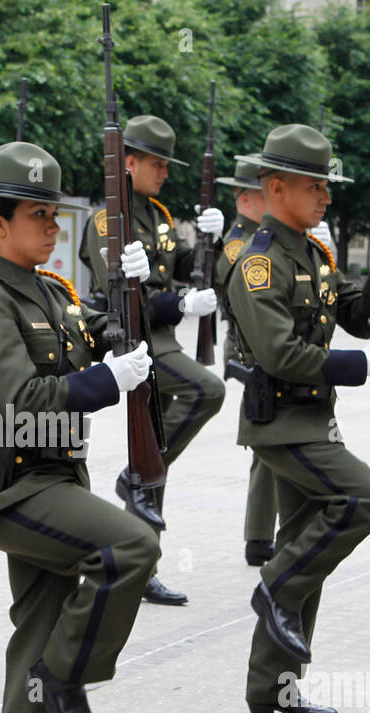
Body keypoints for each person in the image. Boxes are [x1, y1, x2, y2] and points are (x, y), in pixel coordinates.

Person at [0, 141, 159, 713]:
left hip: (56, 476)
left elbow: (108, 334)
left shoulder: (53, 291)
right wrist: (106, 383)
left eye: (55, 214)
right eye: (39, 214)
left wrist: (136, 293)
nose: (53, 227)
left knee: (37, 631)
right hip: (9, 486)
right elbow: (20, 398)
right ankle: (73, 677)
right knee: (130, 546)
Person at [224, 125, 370, 713]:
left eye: (327, 186)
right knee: (366, 499)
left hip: (312, 419)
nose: (326, 196)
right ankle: (274, 585)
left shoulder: (312, 252)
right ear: (276, 188)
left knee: (308, 545)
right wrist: (362, 365)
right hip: (282, 423)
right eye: (314, 186)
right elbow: (279, 355)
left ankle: (272, 688)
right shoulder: (258, 265)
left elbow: (352, 309)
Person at [78, 114, 226, 606]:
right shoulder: (106, 220)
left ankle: (143, 565)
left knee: (152, 443)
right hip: (131, 340)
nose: (164, 173)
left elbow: (187, 265)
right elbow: (117, 290)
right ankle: (133, 479)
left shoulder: (159, 216)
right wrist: (179, 304)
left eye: (167, 165)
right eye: (156, 164)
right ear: (129, 162)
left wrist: (212, 240)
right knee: (207, 390)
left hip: (162, 339)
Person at [214, 158, 277, 568]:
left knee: (268, 446)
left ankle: (260, 536)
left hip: (265, 346)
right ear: (244, 198)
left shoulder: (264, 237)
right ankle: (258, 538)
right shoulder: (240, 245)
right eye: (264, 194)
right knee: (267, 440)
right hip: (251, 350)